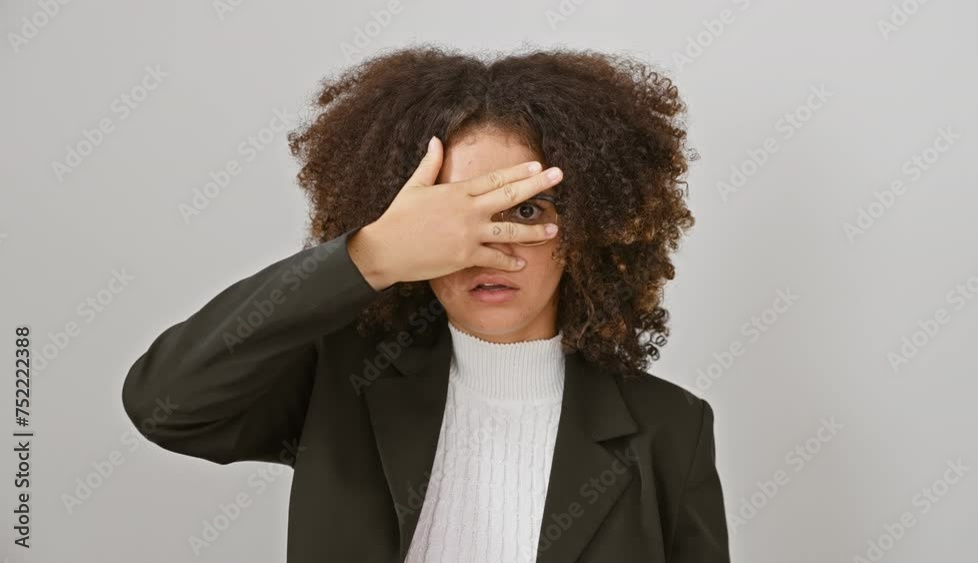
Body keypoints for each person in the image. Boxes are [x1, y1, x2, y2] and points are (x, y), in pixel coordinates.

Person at [121, 44, 730, 562]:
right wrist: (372, 255)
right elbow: (165, 405)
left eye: (525, 211)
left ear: (589, 228)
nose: (490, 249)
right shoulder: (343, 382)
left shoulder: (672, 429)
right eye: (453, 216)